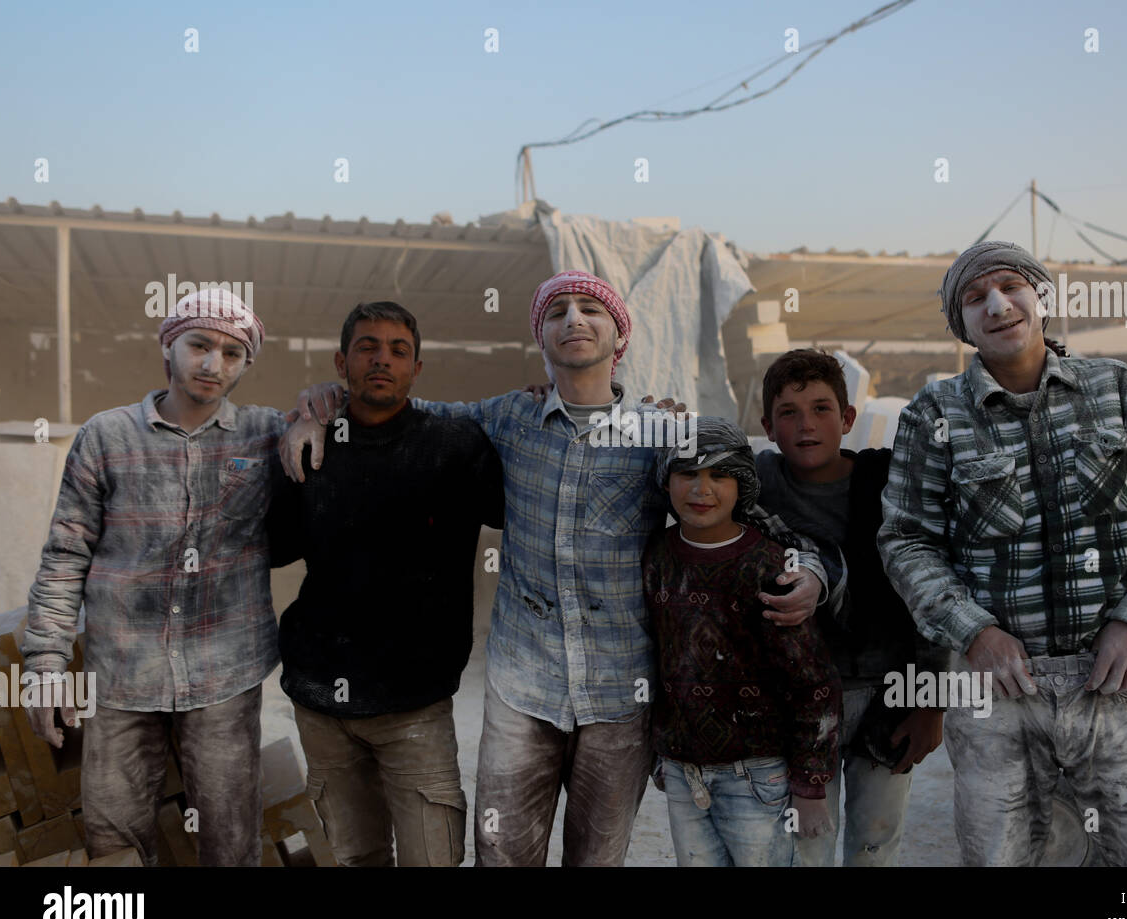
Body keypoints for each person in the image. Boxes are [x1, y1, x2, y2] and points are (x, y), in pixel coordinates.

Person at [282, 270, 832, 866]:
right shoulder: (506, 418)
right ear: (540, 339)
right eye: (556, 312)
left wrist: (815, 573)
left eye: (590, 310)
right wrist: (322, 401)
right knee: (502, 854)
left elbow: (760, 521)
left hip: (619, 696)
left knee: (595, 860)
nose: (573, 320)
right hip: (524, 689)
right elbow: (394, 407)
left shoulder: (664, 434)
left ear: (618, 337)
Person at [878, 240, 1127, 866]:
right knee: (1001, 857)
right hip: (997, 690)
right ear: (962, 325)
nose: (997, 305)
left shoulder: (1123, 391)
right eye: (974, 299)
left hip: (1116, 679)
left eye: (1011, 287)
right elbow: (906, 539)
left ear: (1041, 297)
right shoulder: (933, 415)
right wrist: (974, 633)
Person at [20, 287, 283, 866]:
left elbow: (350, 418)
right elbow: (65, 555)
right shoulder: (105, 436)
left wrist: (320, 411)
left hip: (224, 675)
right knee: (114, 843)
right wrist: (45, 665)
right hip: (121, 676)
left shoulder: (266, 434)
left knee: (232, 846)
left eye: (233, 353)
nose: (214, 365)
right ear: (169, 347)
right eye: (200, 345)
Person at [269, 301, 504, 866]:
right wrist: (298, 424)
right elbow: (277, 548)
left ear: (417, 370)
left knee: (433, 859)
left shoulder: (456, 446)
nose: (383, 359)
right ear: (341, 361)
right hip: (322, 700)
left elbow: (509, 509)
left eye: (399, 351)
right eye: (367, 346)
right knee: (351, 859)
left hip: (415, 706)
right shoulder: (312, 445)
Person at [756, 348, 947, 867]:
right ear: (768, 427)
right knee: (805, 843)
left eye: (821, 409)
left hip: (888, 692)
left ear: (847, 419)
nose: (806, 425)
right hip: (796, 701)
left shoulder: (888, 485)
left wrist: (932, 703)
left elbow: (931, 591)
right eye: (788, 413)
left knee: (875, 840)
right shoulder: (758, 483)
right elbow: (684, 475)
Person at [646, 417, 840, 866]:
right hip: (682, 773)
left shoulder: (768, 565)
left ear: (743, 485)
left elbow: (813, 682)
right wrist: (662, 751)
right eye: (688, 474)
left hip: (756, 775)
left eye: (719, 475)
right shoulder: (656, 556)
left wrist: (811, 784)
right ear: (667, 481)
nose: (701, 489)